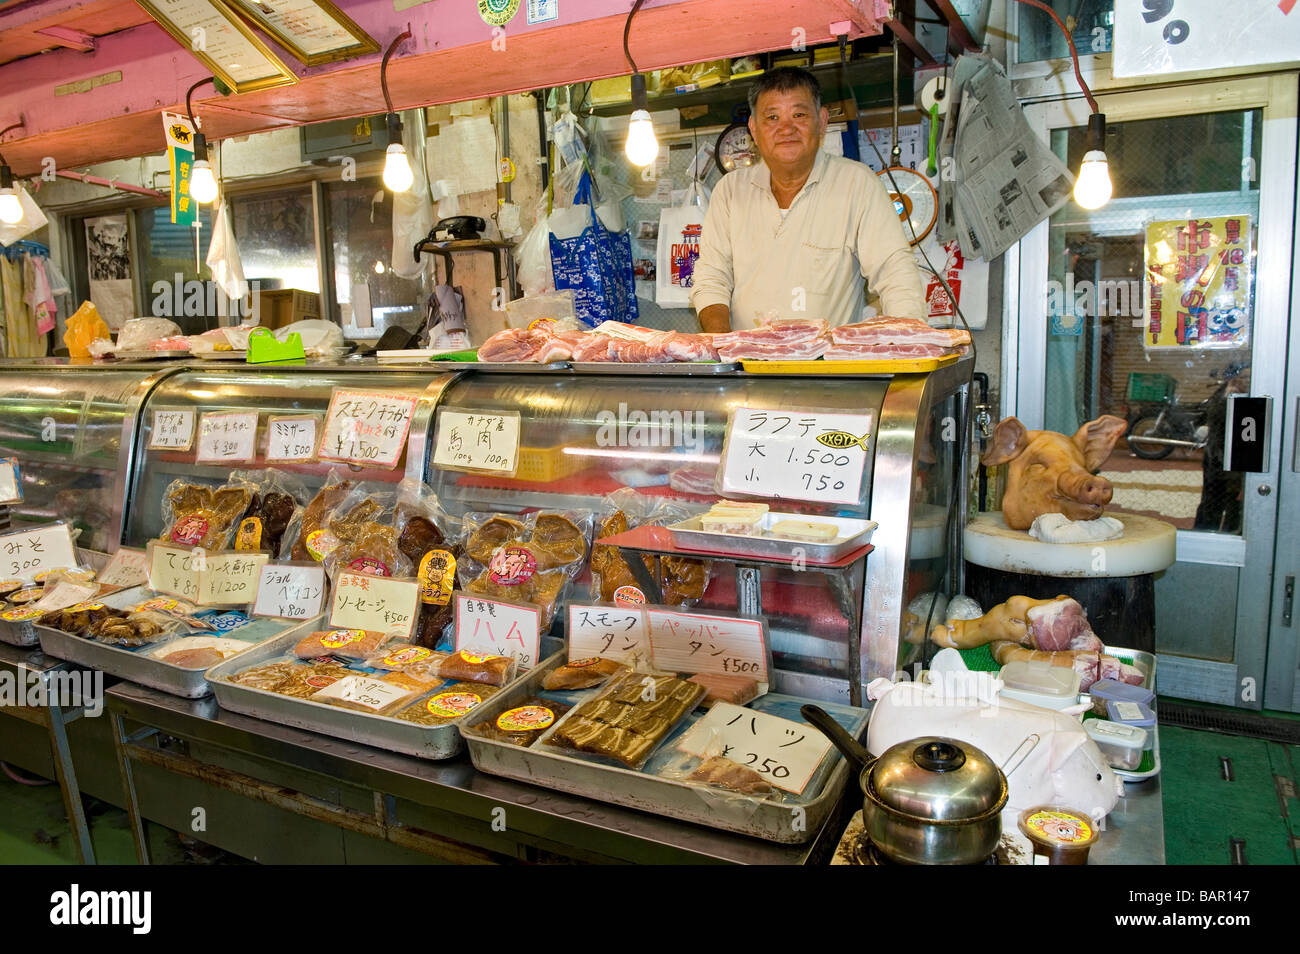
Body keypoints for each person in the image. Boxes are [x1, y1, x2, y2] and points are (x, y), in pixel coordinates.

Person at [691, 67, 926, 332]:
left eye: (799, 114)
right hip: (748, 366)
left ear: (822, 121)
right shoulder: (730, 191)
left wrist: (910, 344)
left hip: (828, 369)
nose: (786, 128)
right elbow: (711, 278)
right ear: (754, 130)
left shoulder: (857, 183)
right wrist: (722, 351)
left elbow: (895, 271)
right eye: (772, 117)